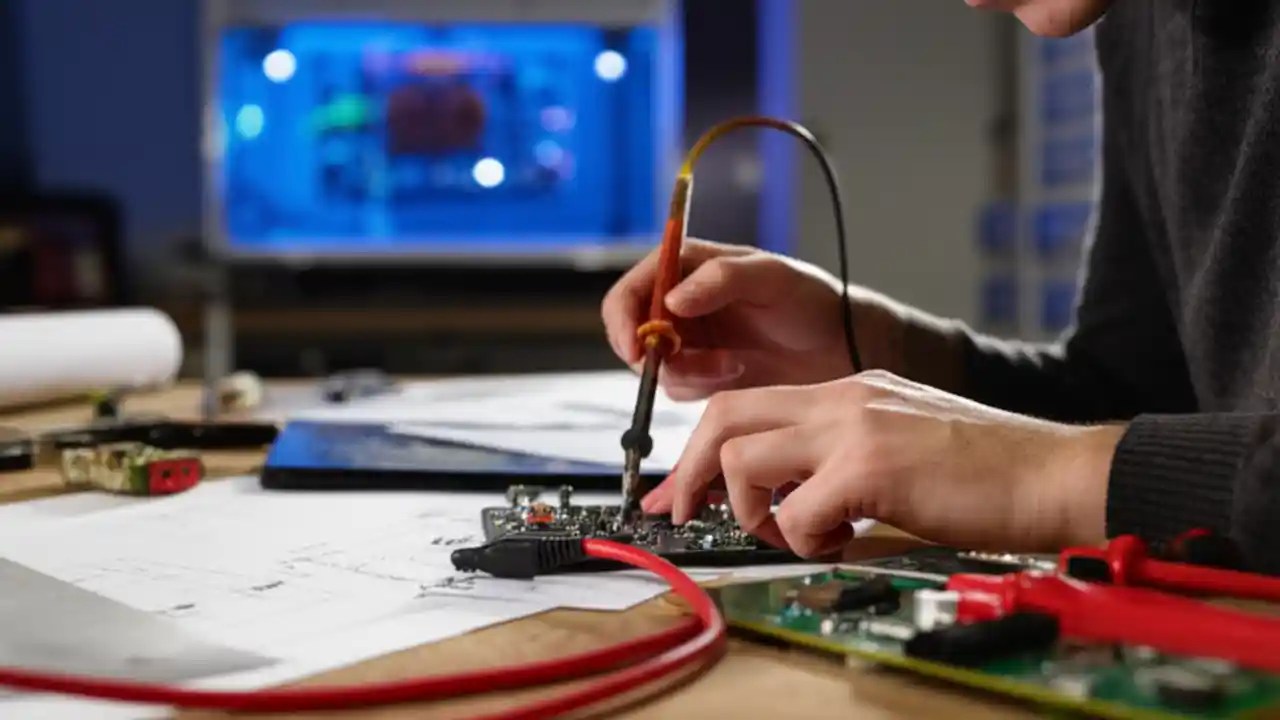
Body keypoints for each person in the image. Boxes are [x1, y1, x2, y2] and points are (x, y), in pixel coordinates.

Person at [601, 0, 1280, 573]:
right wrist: (877, 347)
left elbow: (1100, 462)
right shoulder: (1140, 22)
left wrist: (1044, 479)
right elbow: (1137, 400)